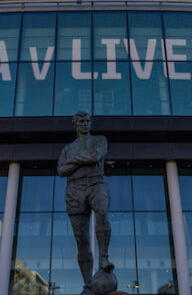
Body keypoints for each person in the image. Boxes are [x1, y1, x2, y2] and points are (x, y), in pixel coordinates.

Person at [57, 111, 112, 295]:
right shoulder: (67, 149)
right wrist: (77, 161)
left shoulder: (99, 140)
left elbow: (96, 157)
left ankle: (104, 258)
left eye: (88, 121)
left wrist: (73, 161)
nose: (85, 124)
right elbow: (61, 170)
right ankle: (88, 286)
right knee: (81, 238)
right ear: (75, 124)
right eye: (81, 121)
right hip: (74, 189)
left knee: (102, 211)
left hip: (96, 183)